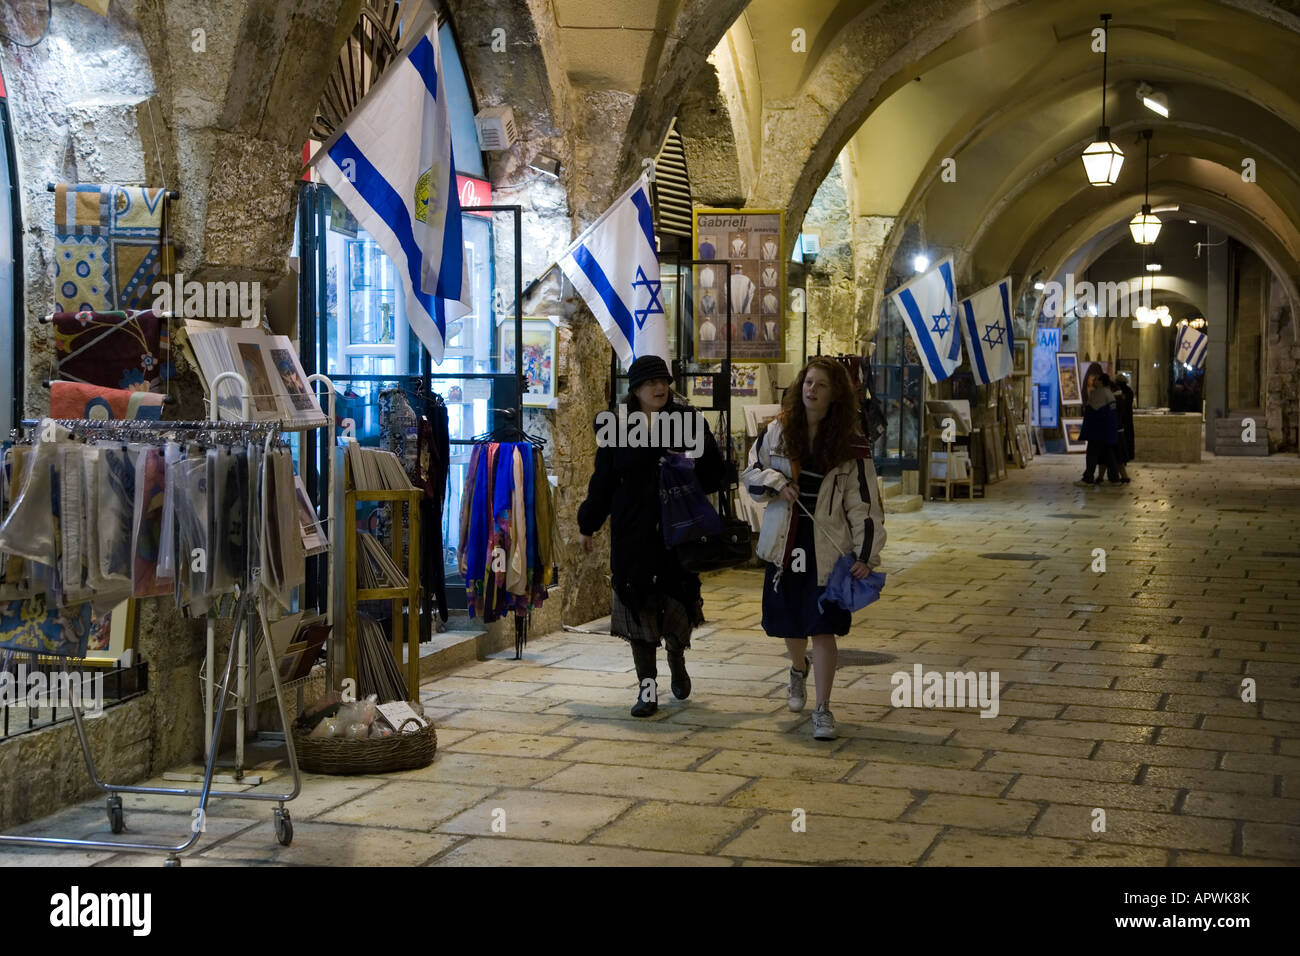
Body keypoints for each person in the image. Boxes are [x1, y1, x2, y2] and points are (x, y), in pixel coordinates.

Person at [741, 357, 886, 740]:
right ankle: (796, 668)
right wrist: (776, 483)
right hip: (785, 543)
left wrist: (865, 554)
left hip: (829, 548)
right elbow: (751, 474)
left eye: (821, 384)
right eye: (808, 382)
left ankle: (823, 708)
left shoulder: (852, 444)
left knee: (823, 628)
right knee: (791, 623)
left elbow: (864, 503)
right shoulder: (778, 432)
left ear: (835, 393)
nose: (811, 389)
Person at [577, 355, 725, 717]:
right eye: (650, 383)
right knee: (637, 612)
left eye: (663, 381)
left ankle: (676, 658)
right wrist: (588, 523)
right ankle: (647, 690)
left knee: (677, 607)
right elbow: (604, 480)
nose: (659, 388)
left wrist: (687, 465)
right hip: (633, 533)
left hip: (678, 531)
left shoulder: (687, 420)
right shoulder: (618, 425)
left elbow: (714, 471)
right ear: (636, 388)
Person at [1076, 372, 1120, 486]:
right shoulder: (1109, 393)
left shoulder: (1099, 393)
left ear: (1101, 382)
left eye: (1096, 379)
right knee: (1109, 454)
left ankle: (1088, 478)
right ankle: (1115, 478)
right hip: (1107, 430)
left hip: (1098, 431)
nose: (1093, 382)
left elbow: (1093, 410)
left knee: (1091, 454)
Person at [1112, 373, 1135, 482]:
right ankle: (1125, 460)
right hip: (1127, 419)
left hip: (1120, 421)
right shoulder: (1129, 391)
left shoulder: (1118, 391)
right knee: (1126, 440)